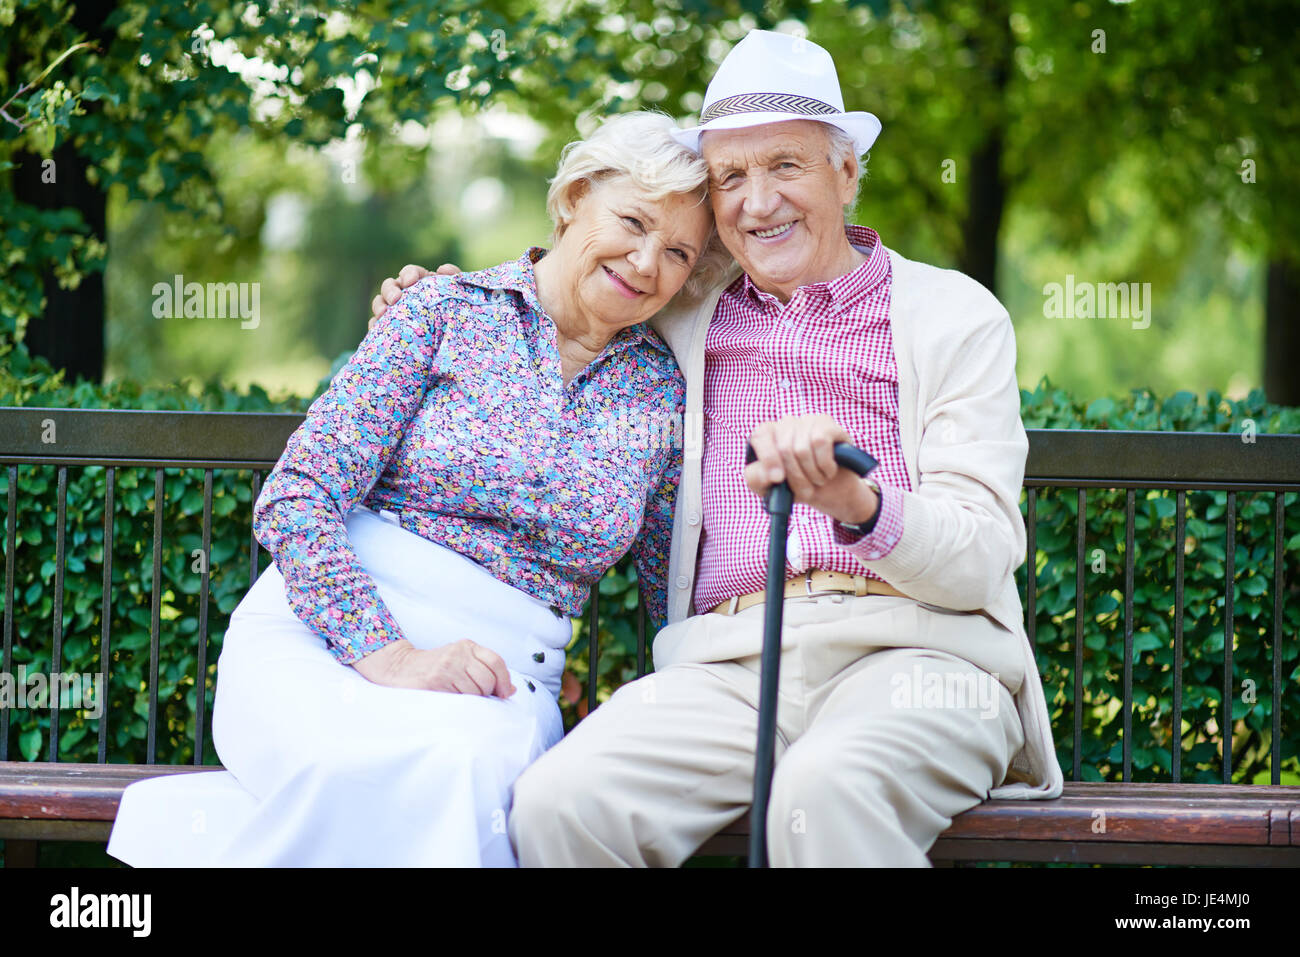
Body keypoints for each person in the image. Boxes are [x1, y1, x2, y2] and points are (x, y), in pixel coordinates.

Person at [373, 30, 1064, 867]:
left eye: (785, 165)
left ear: (847, 172)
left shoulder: (955, 316)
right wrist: (436, 299)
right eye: (730, 178)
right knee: (560, 805)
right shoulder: (679, 311)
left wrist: (862, 504)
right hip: (726, 664)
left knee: (825, 791)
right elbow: (575, 274)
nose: (757, 201)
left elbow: (983, 552)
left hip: (918, 658)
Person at [104, 110, 728, 867]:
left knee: (458, 772)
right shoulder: (442, 311)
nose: (645, 260)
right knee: (348, 771)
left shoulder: (662, 391)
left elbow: (673, 588)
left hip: (494, 686)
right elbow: (298, 493)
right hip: (320, 642)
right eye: (631, 220)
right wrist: (388, 651)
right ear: (574, 197)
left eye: (677, 252)